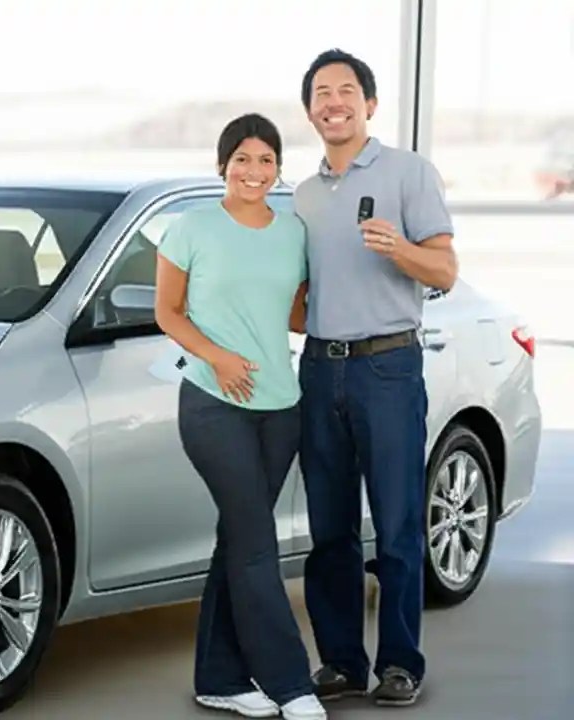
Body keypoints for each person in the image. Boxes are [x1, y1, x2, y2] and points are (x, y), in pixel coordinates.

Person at [292, 48, 458, 708]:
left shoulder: (408, 173)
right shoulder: (302, 194)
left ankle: (400, 663)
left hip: (387, 368)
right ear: (309, 110)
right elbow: (300, 295)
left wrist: (400, 250)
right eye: (321, 93)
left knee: (396, 525)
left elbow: (444, 271)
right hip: (318, 368)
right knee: (329, 529)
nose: (333, 102)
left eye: (346, 90)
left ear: (370, 104)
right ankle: (340, 661)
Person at [155, 113, 327, 720]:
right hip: (212, 403)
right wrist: (220, 358)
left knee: (238, 539)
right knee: (256, 545)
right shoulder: (193, 226)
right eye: (243, 159)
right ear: (223, 164)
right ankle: (290, 684)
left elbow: (299, 313)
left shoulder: (293, 233)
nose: (254, 171)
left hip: (281, 409)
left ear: (279, 168)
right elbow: (168, 313)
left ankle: (220, 678)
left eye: (266, 160)